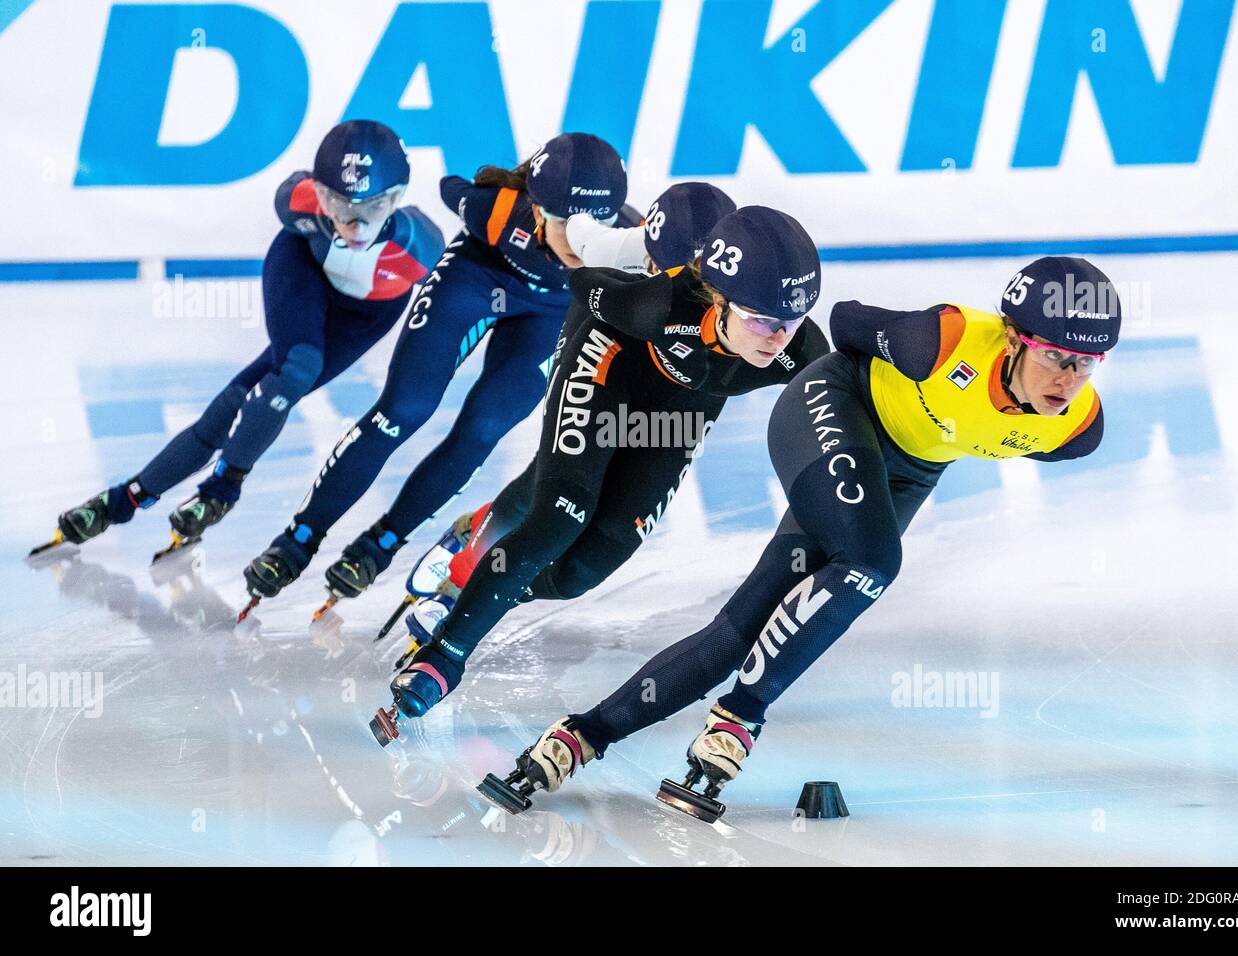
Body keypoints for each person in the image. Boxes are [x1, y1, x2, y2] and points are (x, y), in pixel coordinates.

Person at [477, 256, 1121, 822]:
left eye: (1086, 363)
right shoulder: (943, 339)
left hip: (902, 474)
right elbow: (845, 322)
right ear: (1011, 338)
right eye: (1054, 356)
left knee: (748, 621)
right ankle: (739, 719)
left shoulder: (1074, 429)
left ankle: (575, 739)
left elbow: (970, 428)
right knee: (871, 562)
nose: (1067, 379)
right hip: (834, 408)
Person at [370, 205, 832, 746]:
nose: (777, 338)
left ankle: (478, 580)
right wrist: (591, 238)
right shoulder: (655, 304)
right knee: (560, 515)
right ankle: (444, 656)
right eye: (761, 320)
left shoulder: (800, 352)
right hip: (607, 360)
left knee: (579, 573)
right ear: (720, 299)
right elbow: (583, 276)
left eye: (791, 322)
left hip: (678, 413)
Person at [238, 133, 634, 616]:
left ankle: (379, 545)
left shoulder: (630, 244)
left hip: (548, 314)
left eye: (600, 224)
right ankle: (298, 540)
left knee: (483, 431)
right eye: (567, 224)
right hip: (476, 276)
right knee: (403, 410)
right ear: (536, 209)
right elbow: (452, 188)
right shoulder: (493, 209)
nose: (581, 239)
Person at [32, 121, 443, 562]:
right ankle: (221, 489)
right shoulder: (296, 204)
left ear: (397, 200)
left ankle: (125, 499)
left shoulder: (421, 249)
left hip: (365, 314)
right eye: (338, 205)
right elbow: (302, 206)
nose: (355, 225)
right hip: (302, 271)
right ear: (319, 194)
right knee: (296, 367)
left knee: (249, 395)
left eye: (374, 207)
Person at [345, 181, 738, 637]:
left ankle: (482, 539)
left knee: (601, 522)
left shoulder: (738, 291)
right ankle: (461, 583)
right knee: (560, 485)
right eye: (657, 262)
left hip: (679, 376)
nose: (667, 278)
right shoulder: (616, 246)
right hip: (606, 342)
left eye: (683, 274)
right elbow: (574, 229)